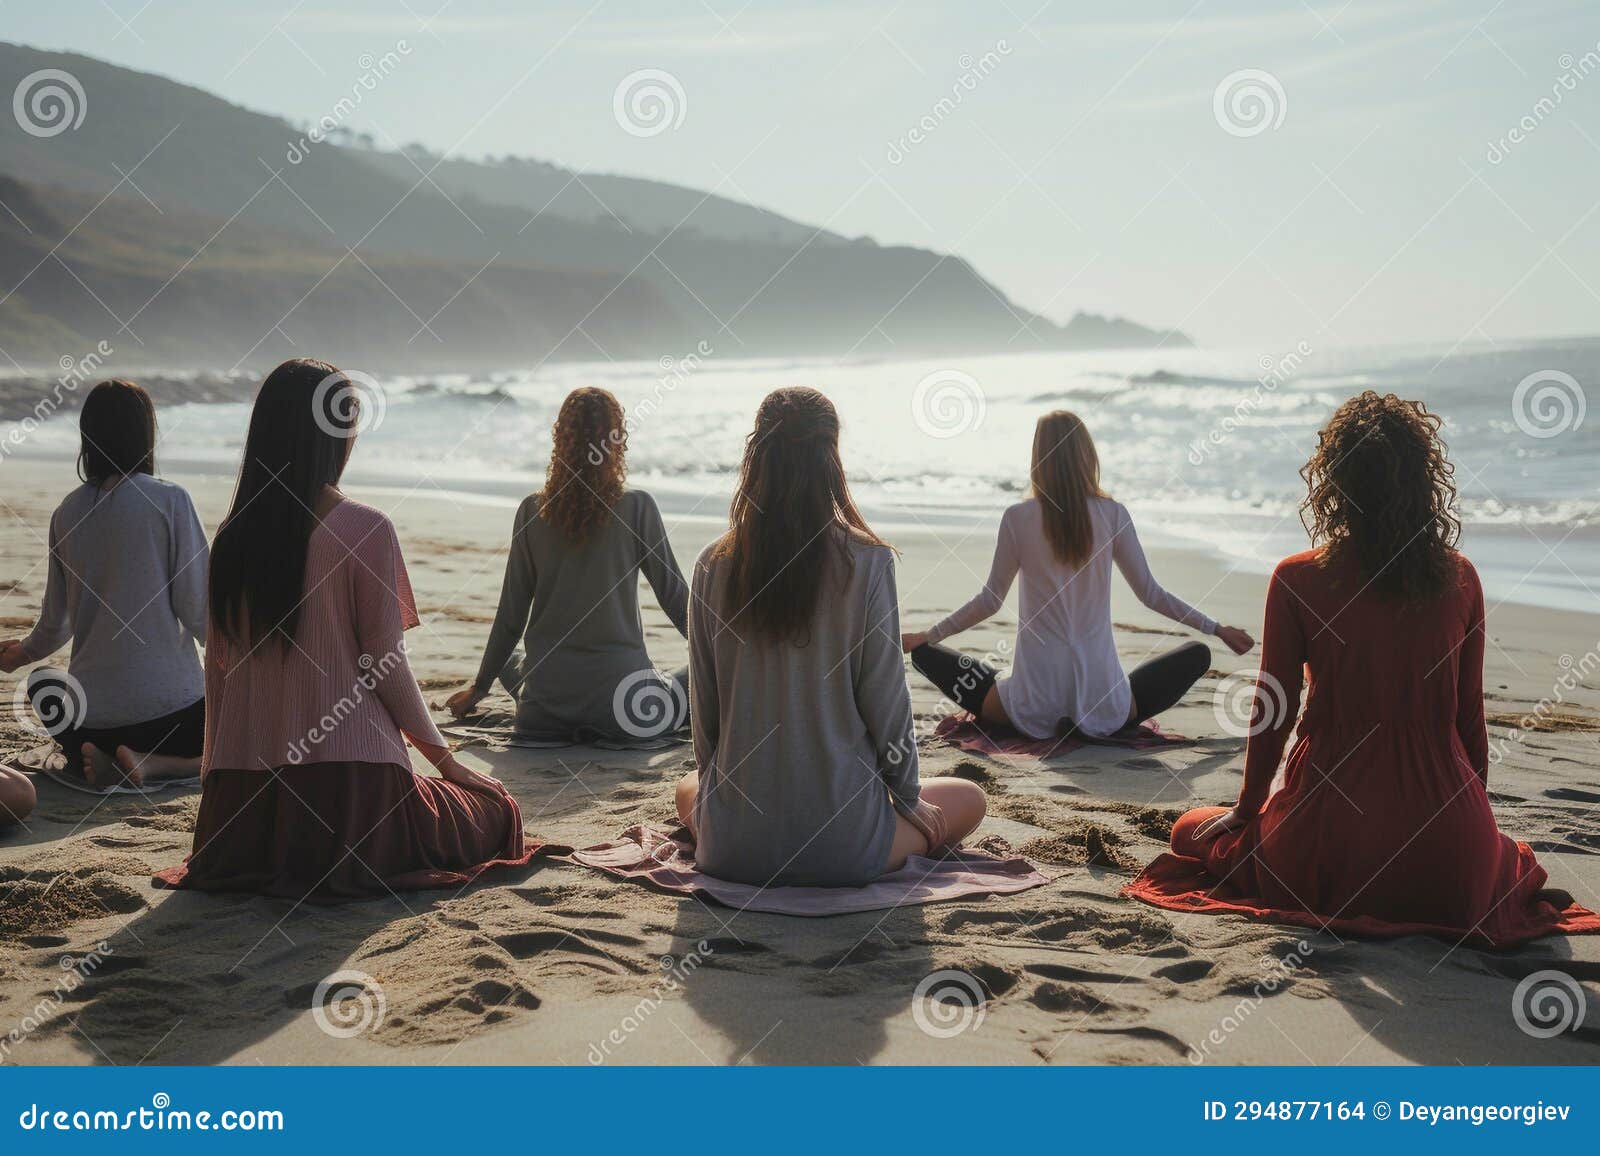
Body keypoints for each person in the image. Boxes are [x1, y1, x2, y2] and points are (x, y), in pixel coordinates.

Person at [1126, 392, 1600, 943]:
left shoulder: (1297, 579)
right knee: (1502, 858)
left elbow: (1271, 710)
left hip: (1332, 833)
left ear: (1334, 483)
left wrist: (1248, 807)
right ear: (1425, 483)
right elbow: (1469, 716)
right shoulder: (1460, 578)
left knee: (1189, 829)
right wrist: (1475, 826)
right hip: (1451, 852)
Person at [154, 359, 531, 900]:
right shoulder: (364, 527)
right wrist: (448, 763)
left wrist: (217, 795)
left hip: (244, 803)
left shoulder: (233, 538)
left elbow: (218, 672)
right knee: (497, 811)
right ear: (334, 435)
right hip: (354, 798)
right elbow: (386, 663)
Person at [674, 387, 985, 886]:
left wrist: (721, 800)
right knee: (970, 798)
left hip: (732, 851)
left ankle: (736, 824)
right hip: (841, 851)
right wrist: (906, 799)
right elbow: (887, 701)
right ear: (832, 457)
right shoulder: (867, 561)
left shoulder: (713, 564)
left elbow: (704, 711)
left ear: (756, 455)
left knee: (688, 786)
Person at [901, 410, 1253, 740]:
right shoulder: (1113, 515)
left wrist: (927, 634)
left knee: (925, 655)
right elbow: (1150, 594)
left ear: (1038, 458)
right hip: (1105, 708)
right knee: (1197, 654)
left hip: (1029, 708)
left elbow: (990, 601)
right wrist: (1216, 628)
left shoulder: (1017, 517)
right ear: (1088, 456)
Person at [445, 387, 690, 742]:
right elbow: (676, 601)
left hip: (544, 712)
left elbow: (510, 616)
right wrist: (724, 658)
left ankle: (544, 695)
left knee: (512, 658)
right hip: (627, 711)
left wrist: (480, 687)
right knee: (695, 674)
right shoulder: (637, 507)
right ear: (617, 439)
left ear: (560, 438)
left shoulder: (532, 511)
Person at [0, 380, 207, 788]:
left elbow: (54, 628)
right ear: (145, 435)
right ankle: (159, 764)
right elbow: (199, 615)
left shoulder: (66, 513)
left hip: (92, 723)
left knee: (42, 682)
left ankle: (93, 753)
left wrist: (19, 654)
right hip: (178, 724)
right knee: (233, 717)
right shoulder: (171, 501)